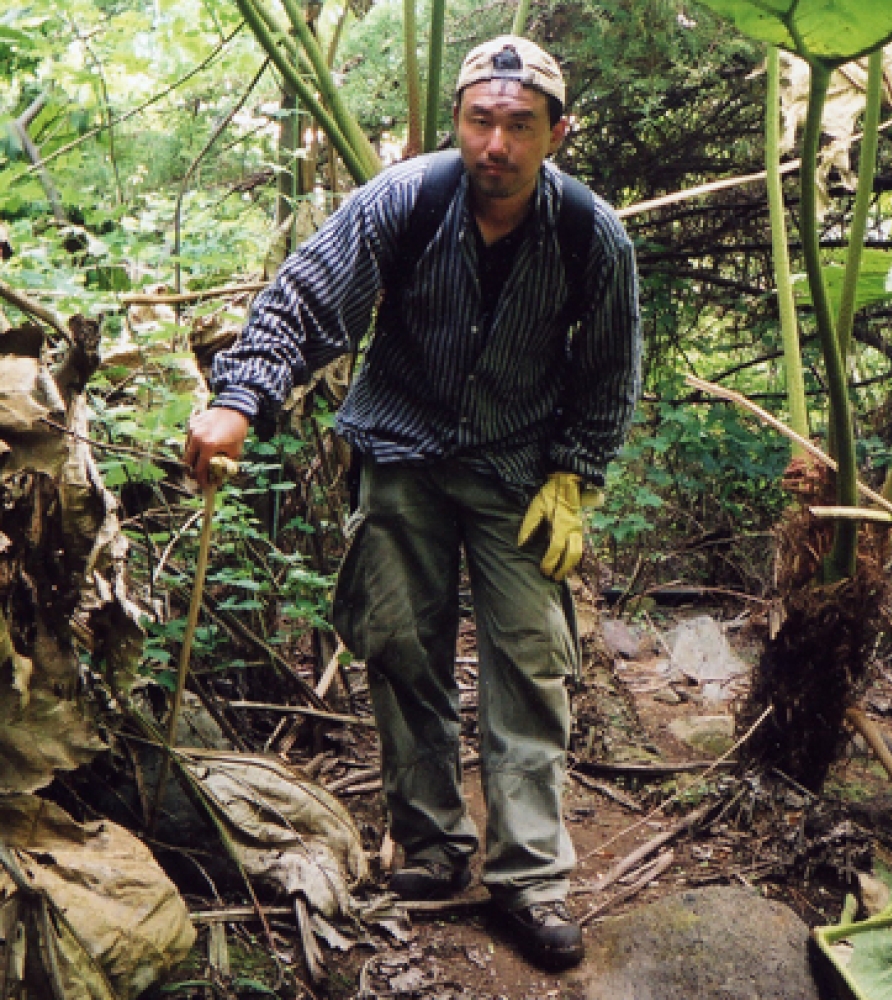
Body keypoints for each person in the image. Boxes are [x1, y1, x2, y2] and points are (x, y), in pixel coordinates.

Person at [184, 35, 641, 970]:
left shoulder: (593, 234)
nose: (496, 146)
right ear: (459, 122)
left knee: (530, 660)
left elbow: (608, 368)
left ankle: (530, 877)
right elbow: (310, 300)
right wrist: (240, 400)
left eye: (520, 125)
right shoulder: (409, 198)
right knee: (398, 644)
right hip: (399, 450)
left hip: (518, 471)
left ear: (558, 132)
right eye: (481, 120)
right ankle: (431, 843)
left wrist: (578, 472)